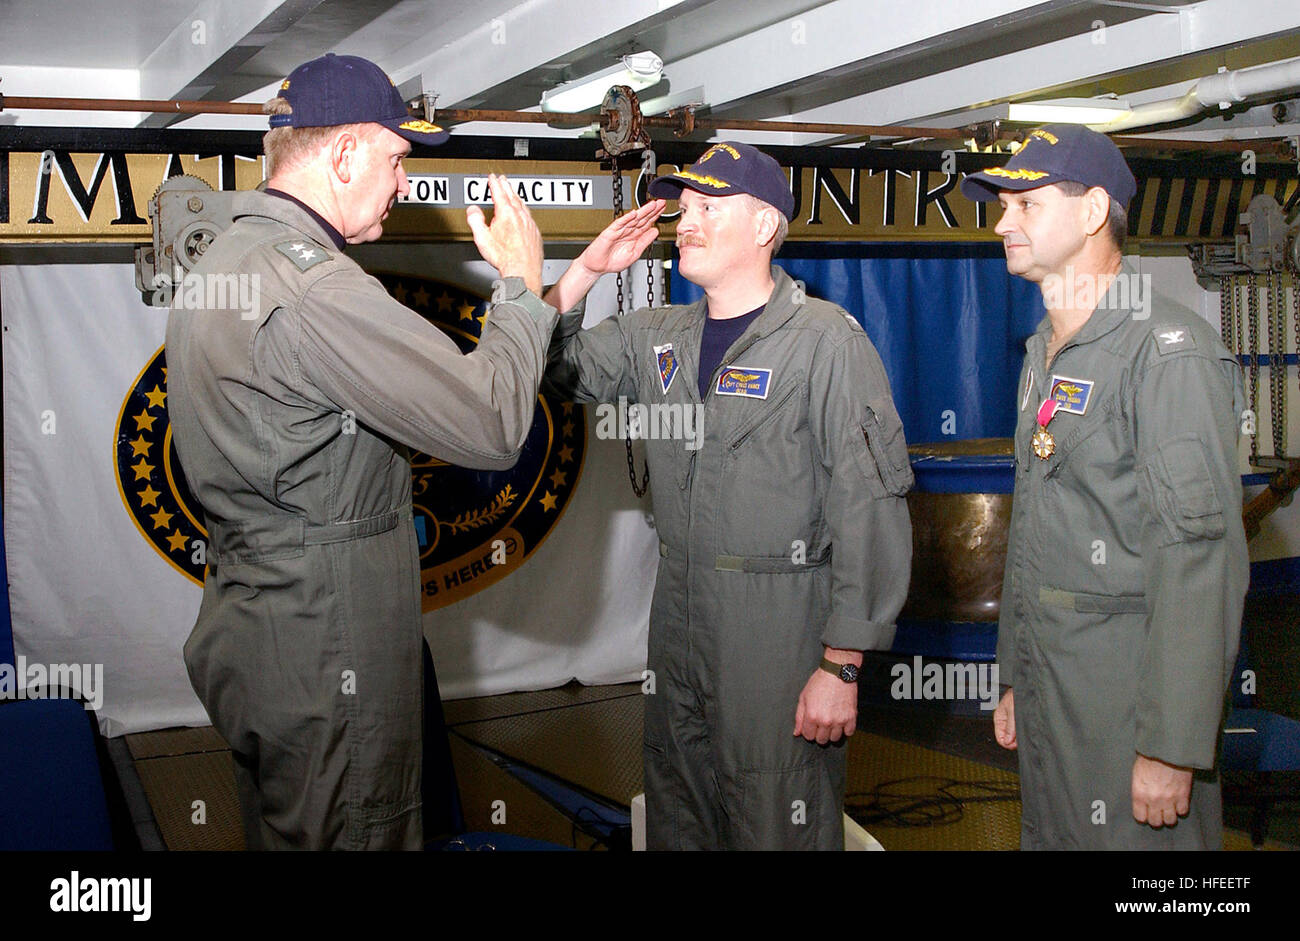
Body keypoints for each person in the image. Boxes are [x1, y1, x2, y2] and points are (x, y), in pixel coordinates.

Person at [165, 53, 557, 849]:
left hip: (257, 628)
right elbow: (491, 422)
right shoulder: (315, 286)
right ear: (344, 154)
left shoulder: (227, 262)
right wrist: (518, 285)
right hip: (327, 641)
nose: (404, 182)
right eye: (397, 157)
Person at [544, 141, 913, 849]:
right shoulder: (658, 336)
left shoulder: (824, 343)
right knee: (679, 812)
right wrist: (587, 270)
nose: (686, 221)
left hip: (776, 629)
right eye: (685, 208)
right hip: (678, 618)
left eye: (710, 206)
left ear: (766, 227)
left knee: (777, 814)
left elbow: (868, 504)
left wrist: (842, 662)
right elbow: (550, 368)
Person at [961, 124, 1249, 849]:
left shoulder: (1165, 353)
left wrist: (1172, 744)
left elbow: (1198, 561)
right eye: (1003, 206)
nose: (1002, 221)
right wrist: (1017, 672)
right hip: (1055, 687)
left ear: (1092, 212)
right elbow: (1035, 528)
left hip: (1131, 704)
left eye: (1025, 205)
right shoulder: (1045, 352)